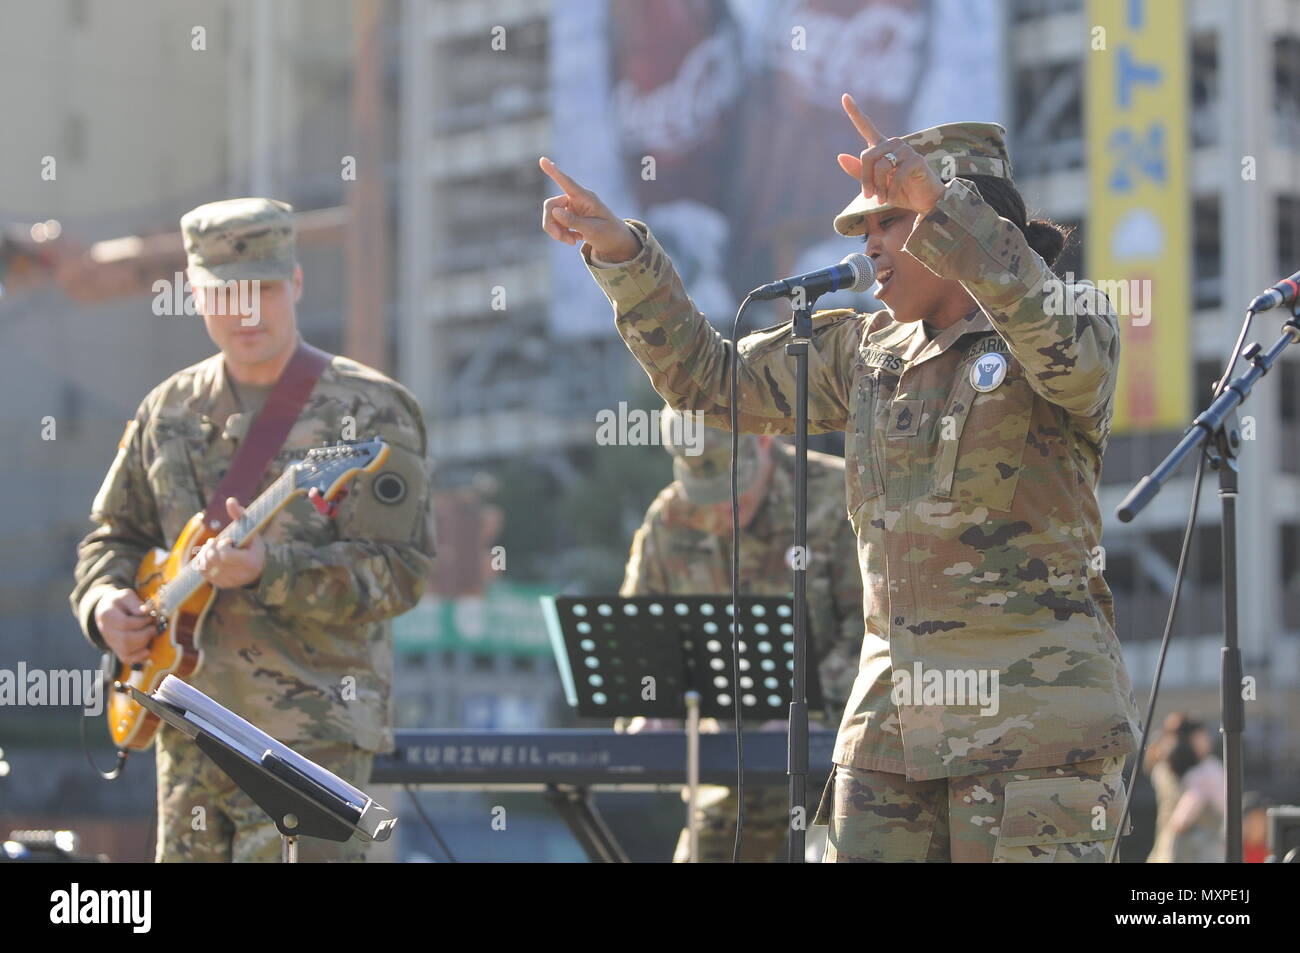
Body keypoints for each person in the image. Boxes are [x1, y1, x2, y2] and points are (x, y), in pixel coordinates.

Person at [540, 92, 1142, 862]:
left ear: (964, 220)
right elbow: (710, 382)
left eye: (892, 221)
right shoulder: (863, 354)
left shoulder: (1069, 322)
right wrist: (625, 257)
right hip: (891, 739)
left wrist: (943, 204)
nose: (872, 244)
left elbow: (1066, 348)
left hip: (1036, 733)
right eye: (864, 226)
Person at [71, 198, 436, 862]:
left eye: (264, 289)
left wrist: (271, 567)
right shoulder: (166, 410)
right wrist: (104, 606)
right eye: (225, 292)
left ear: (295, 283)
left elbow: (401, 571)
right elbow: (112, 537)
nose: (246, 311)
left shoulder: (372, 409)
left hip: (309, 743)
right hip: (187, 733)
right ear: (193, 295)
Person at [620, 407, 864, 862]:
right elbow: (643, 630)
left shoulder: (839, 496)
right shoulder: (669, 519)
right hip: (736, 770)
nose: (719, 511)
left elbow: (876, 622)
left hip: (844, 755)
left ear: (765, 442)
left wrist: (811, 709)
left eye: (733, 493)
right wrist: (653, 704)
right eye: (705, 496)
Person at [1145, 713, 1224, 863]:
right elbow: (1183, 818)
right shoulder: (1201, 770)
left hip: (1179, 845)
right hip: (1189, 847)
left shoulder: (1166, 769)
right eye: (1201, 737)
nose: (1207, 741)